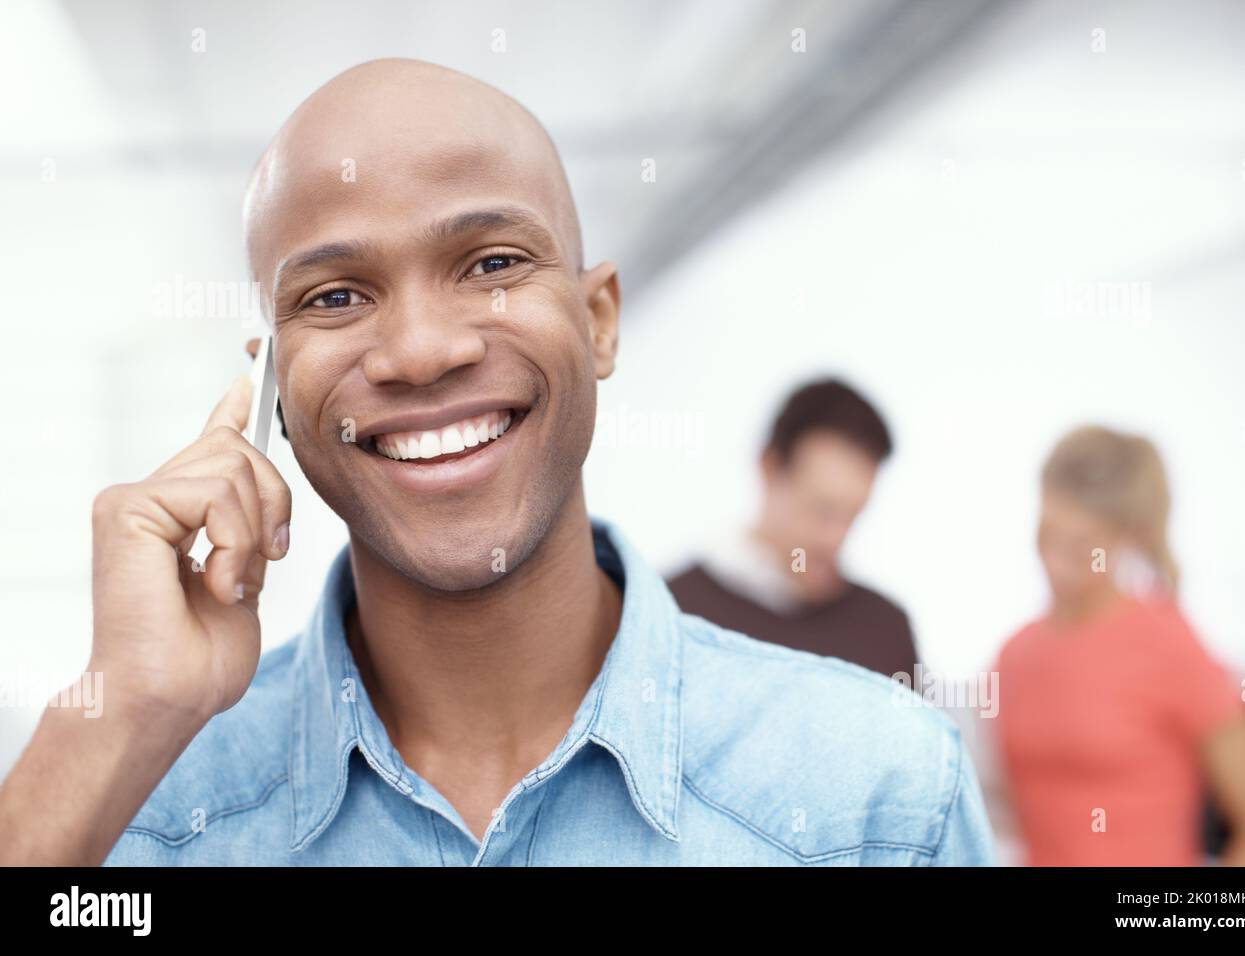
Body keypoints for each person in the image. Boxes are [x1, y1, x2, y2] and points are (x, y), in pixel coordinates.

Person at [0, 59, 995, 866]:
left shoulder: (880, 792)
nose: (423, 351)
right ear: (272, 392)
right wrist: (116, 715)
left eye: (492, 263)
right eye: (336, 296)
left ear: (599, 319)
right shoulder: (137, 810)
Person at [990, 425, 1245, 866]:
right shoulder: (1013, 654)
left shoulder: (1171, 646)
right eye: (1048, 535)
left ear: (1127, 538)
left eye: (1079, 547)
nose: (1056, 564)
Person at [669, 378, 918, 679]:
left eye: (853, 515)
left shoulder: (884, 629)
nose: (835, 538)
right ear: (769, 468)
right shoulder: (671, 613)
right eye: (823, 511)